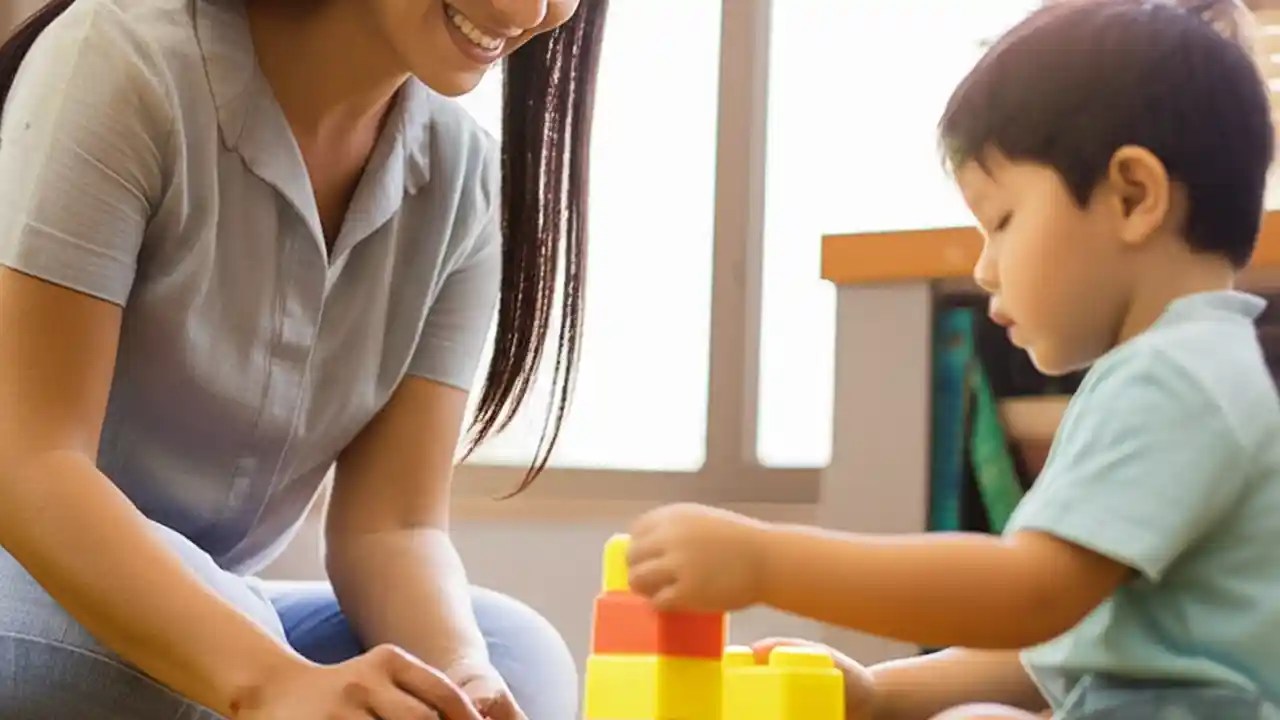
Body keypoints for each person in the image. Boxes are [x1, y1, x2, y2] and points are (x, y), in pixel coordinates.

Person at [622, 1, 1280, 718]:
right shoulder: (1189, 369)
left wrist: (765, 562)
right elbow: (1053, 653)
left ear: (1132, 196)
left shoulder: (1174, 378)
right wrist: (879, 693)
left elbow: (1028, 595)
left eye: (1002, 221)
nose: (986, 268)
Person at [0, 0, 607, 716]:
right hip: (24, 565)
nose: (528, 9)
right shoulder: (120, 62)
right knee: (216, 656)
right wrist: (268, 680)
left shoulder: (460, 180)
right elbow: (29, 466)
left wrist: (460, 679)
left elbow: (393, 528)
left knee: (519, 658)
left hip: (225, 599)